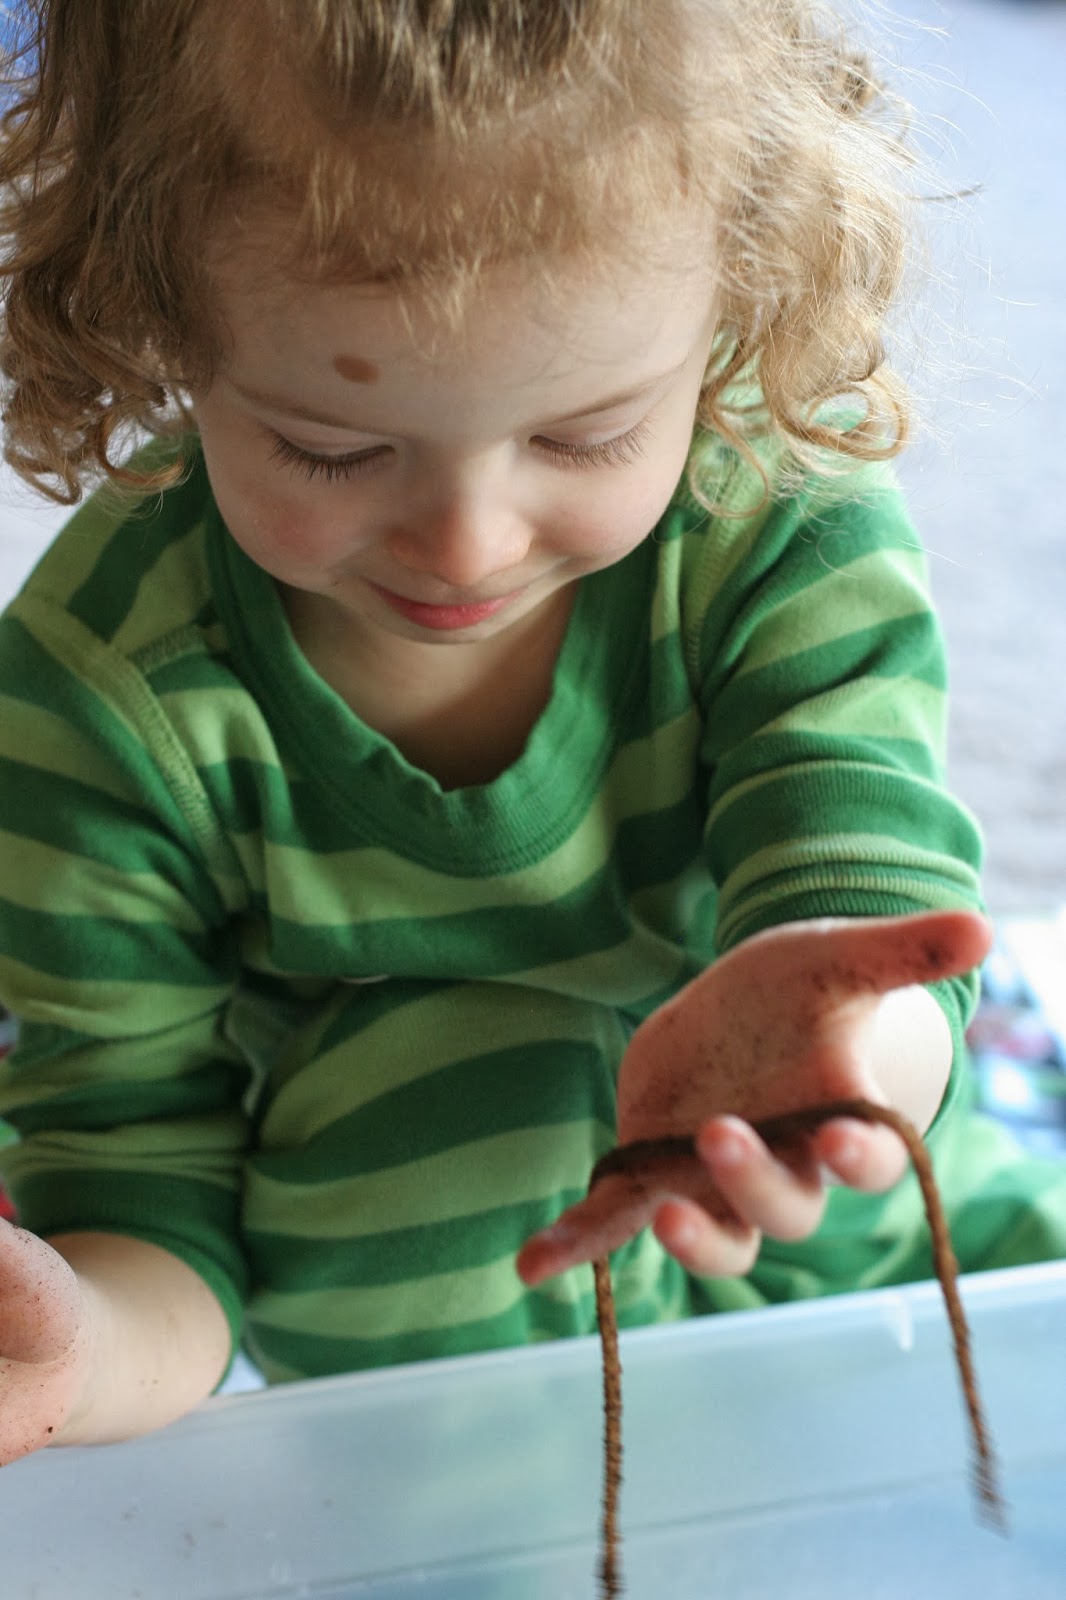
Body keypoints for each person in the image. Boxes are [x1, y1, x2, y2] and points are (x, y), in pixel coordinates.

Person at [0, 0, 1063, 1469]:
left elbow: (869, 888)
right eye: (331, 444)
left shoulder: (773, 512)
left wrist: (847, 1067)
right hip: (442, 1412)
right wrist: (72, 1351)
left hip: (865, 1254)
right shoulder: (96, 699)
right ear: (153, 307)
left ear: (736, 290)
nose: (464, 543)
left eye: (584, 435)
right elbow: (137, 1188)